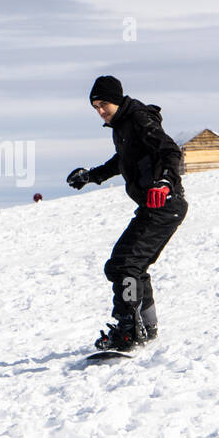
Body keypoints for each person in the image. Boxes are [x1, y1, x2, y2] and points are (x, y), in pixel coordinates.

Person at [66, 75, 188, 352]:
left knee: (124, 265)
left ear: (117, 100)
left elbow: (169, 151)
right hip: (152, 207)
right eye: (95, 106)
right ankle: (146, 325)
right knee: (129, 266)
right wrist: (90, 176)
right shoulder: (121, 126)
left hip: (165, 204)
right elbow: (121, 161)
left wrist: (165, 182)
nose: (99, 111)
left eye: (103, 104)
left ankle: (128, 330)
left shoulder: (140, 119)